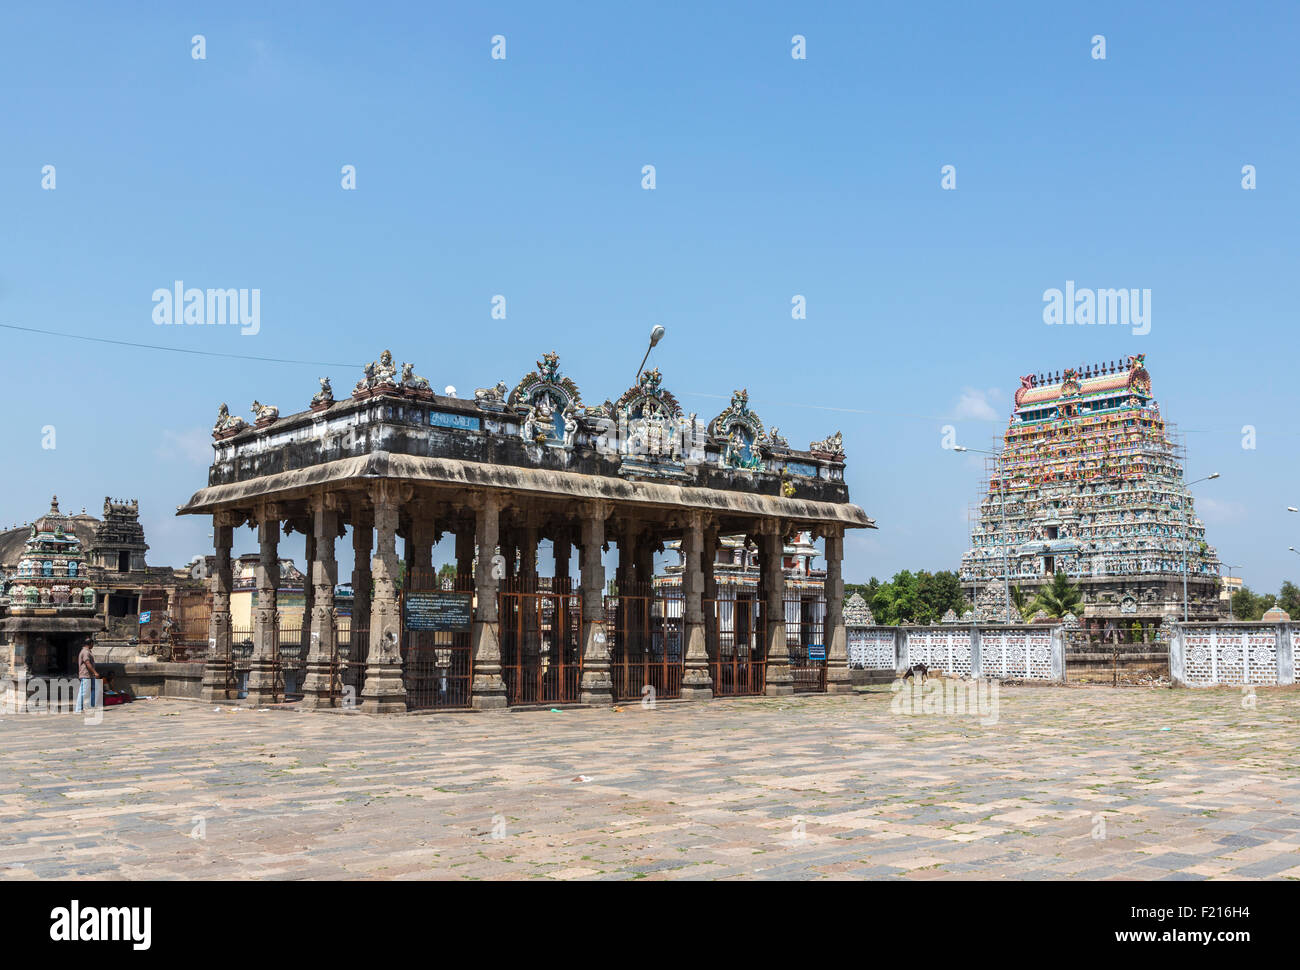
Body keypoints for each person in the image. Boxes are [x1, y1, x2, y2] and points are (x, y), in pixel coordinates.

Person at [74, 639, 100, 713]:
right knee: (83, 692)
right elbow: (87, 663)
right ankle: (79, 708)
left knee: (94, 689)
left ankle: (91, 705)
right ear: (90, 644)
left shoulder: (88, 651)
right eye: (93, 644)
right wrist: (95, 672)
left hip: (89, 675)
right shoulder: (85, 652)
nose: (93, 645)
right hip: (86, 674)